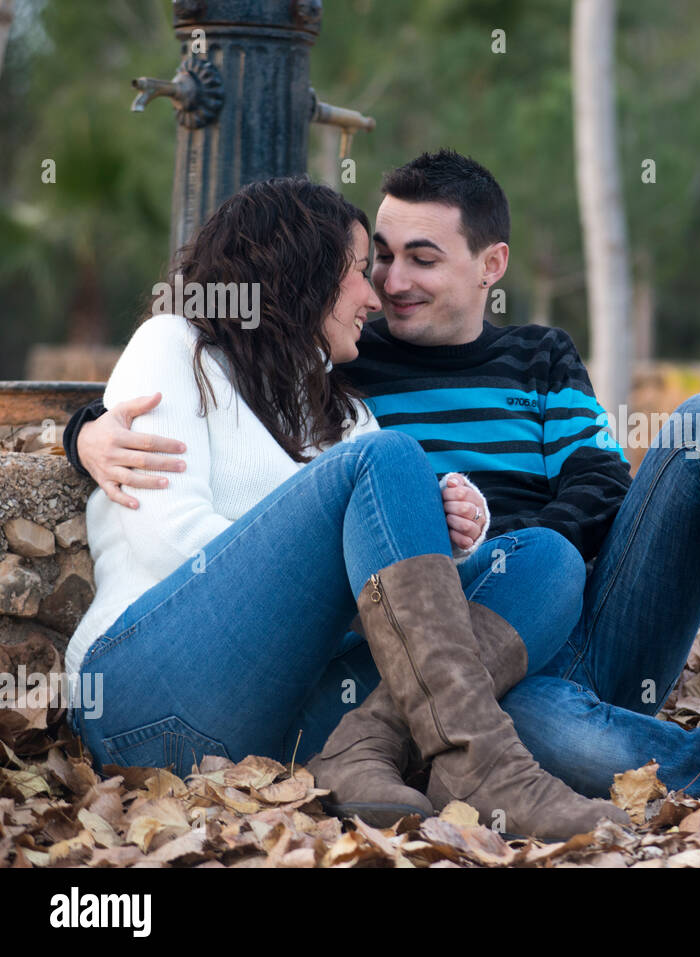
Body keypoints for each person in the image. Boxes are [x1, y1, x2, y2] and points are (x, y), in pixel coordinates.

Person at [68, 150, 700, 813]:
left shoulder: (529, 359)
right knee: (576, 749)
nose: (388, 284)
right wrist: (81, 434)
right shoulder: (354, 375)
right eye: (377, 262)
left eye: (421, 259)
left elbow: (602, 483)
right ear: (307, 280)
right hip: (454, 669)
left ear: (491, 265)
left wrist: (487, 533)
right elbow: (239, 489)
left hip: (551, 608)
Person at [63, 176, 626, 840]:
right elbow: (171, 545)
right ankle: (482, 764)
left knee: (546, 560)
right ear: (299, 275)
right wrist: (343, 544)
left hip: (282, 734)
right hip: (152, 699)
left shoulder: (346, 409)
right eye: (360, 270)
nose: (376, 292)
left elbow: (396, 608)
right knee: (390, 459)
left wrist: (435, 535)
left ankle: (366, 749)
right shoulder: (174, 348)